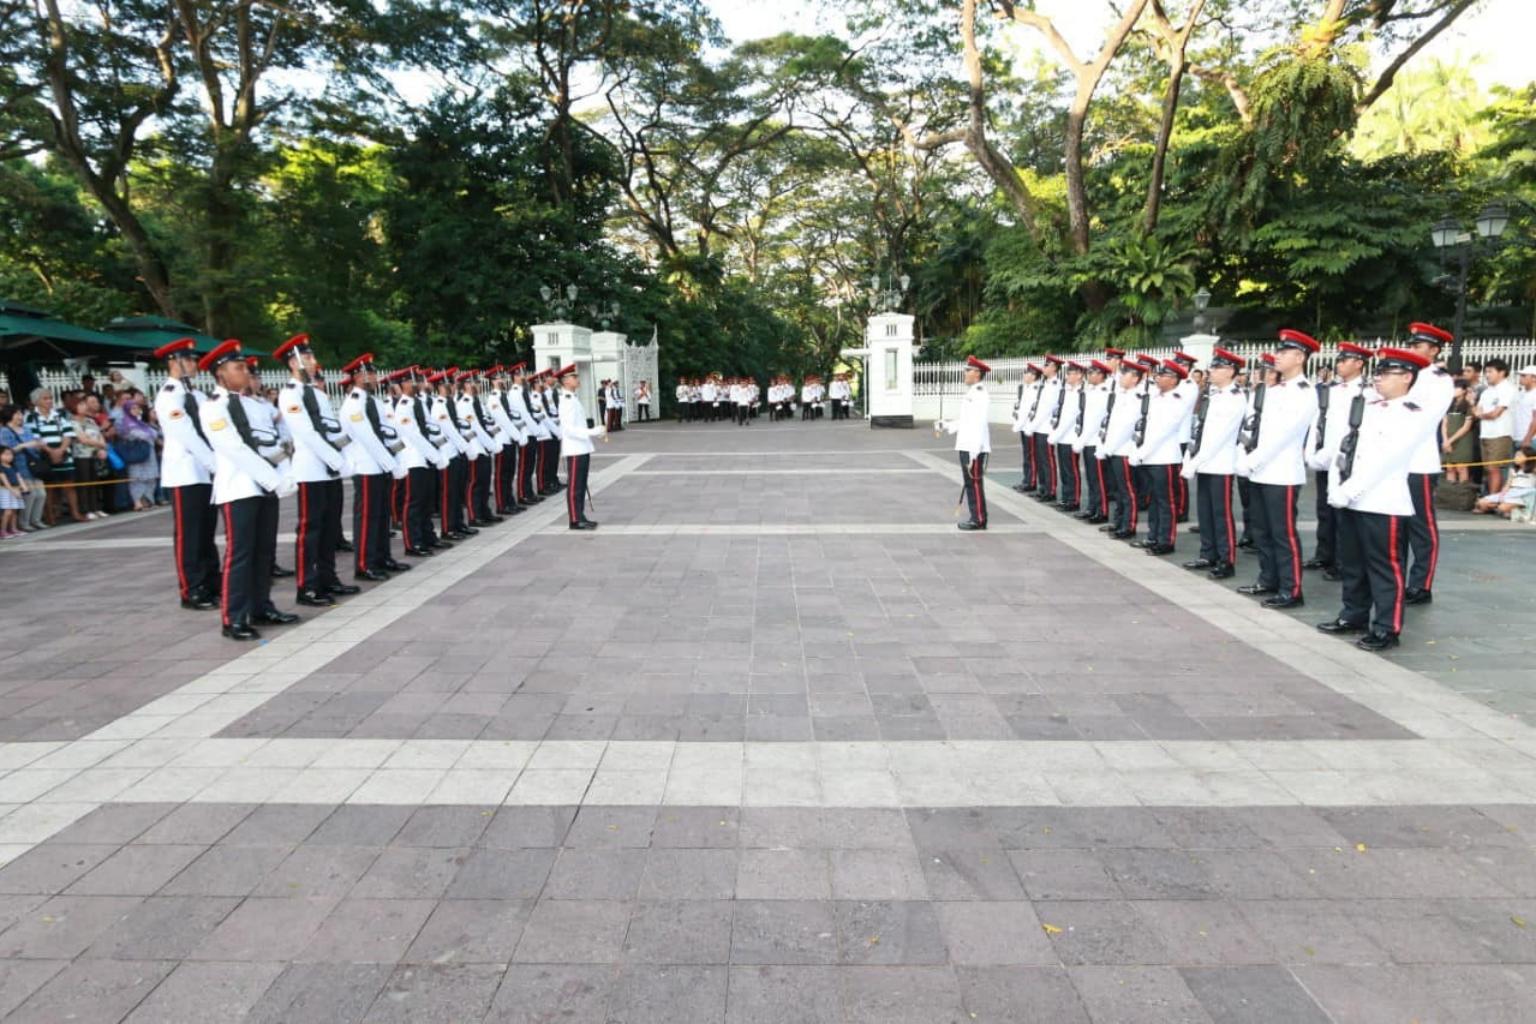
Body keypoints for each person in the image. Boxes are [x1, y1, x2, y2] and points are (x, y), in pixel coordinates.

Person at [1317, 347, 1432, 652]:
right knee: (1353, 563)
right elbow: (1345, 448)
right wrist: (1334, 485)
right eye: (1377, 373)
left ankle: (1386, 627)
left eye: (1386, 374)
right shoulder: (1368, 407)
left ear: (1407, 377)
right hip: (1352, 499)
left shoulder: (1413, 414)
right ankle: (1353, 614)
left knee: (1385, 567)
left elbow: (1387, 460)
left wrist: (1350, 489)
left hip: (1384, 502)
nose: (1378, 379)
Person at [199, 340, 299, 641]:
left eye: (246, 367)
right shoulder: (213, 407)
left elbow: (272, 444)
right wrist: (273, 479)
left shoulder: (254, 406)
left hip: (265, 486)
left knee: (263, 551)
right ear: (220, 373)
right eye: (238, 367)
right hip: (239, 488)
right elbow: (234, 448)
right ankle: (233, 617)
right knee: (240, 554)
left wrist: (284, 475)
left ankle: (260, 606)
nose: (246, 372)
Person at [1236, 329, 1320, 610]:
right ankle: (1268, 578)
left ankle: (1291, 588)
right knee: (1261, 529)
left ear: (1299, 357)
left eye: (1284, 353)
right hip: (1260, 470)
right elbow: (1255, 427)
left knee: (1282, 533)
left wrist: (1256, 460)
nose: (1278, 357)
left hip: (1282, 473)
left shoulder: (1304, 393)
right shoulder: (1273, 390)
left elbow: (1286, 433)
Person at [275, 334, 354, 607]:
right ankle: (306, 585)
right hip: (311, 469)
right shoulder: (290, 393)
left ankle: (328, 578)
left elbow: (332, 428)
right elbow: (306, 432)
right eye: (307, 357)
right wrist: (335, 459)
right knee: (310, 530)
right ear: (293, 361)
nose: (313, 362)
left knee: (330, 526)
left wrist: (343, 456)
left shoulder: (317, 393)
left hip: (329, 468)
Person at [1304, 342, 1373, 580]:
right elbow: (1320, 422)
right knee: (1324, 509)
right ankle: (1325, 554)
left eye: (1346, 360)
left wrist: (1332, 453)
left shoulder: (1366, 393)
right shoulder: (1331, 390)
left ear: (1359, 364)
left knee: (1342, 514)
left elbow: (1351, 429)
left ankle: (1343, 562)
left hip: (1345, 459)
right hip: (1325, 457)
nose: (1340, 364)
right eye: (1339, 360)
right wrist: (1314, 452)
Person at [1400, 323, 1456, 606]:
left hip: (1420, 462)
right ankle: (1397, 579)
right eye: (1411, 344)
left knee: (1421, 526)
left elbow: (1425, 419)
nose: (1412, 349)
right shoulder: (1403, 374)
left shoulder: (1439, 380)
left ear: (1433, 350)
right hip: (1396, 462)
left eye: (1418, 345)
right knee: (1397, 526)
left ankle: (1421, 584)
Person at [341, 353, 410, 581]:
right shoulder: (354, 405)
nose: (374, 376)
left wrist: (400, 458)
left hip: (381, 466)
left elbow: (389, 432)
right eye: (369, 373)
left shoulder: (374, 402)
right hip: (367, 467)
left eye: (373, 372)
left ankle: (382, 557)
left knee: (381, 516)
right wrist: (391, 463)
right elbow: (368, 438)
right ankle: (364, 564)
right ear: (358, 377)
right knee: (367, 518)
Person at [1181, 347, 1247, 578]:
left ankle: (1226, 560)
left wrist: (1196, 460)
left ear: (1230, 371)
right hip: (1206, 463)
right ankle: (1208, 553)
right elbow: (1202, 431)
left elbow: (1221, 437)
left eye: (1217, 367)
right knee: (1206, 511)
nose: (1211, 371)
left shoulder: (1235, 398)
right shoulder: (1215, 395)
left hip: (1221, 464)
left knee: (1221, 514)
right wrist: (1193, 456)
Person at [1129, 360, 1193, 555]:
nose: (1158, 378)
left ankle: (1166, 540)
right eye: (1159, 374)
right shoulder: (1155, 398)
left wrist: (1143, 452)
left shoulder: (1177, 400)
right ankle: (1153, 535)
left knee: (1166, 501)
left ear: (1174, 380)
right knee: (1155, 500)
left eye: (1163, 375)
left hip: (1164, 457)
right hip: (1149, 456)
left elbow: (1164, 431)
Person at [392, 366, 449, 555]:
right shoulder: (403, 406)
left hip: (426, 457)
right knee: (414, 503)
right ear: (404, 384)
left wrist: (440, 447)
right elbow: (414, 435)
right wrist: (433, 454)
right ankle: (413, 542)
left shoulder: (419, 403)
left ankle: (428, 536)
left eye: (417, 380)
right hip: (414, 458)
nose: (417, 384)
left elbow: (430, 426)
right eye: (412, 381)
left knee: (426, 501)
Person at [937, 355, 993, 530]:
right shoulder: (972, 393)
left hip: (973, 447)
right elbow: (966, 421)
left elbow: (979, 422)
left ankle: (979, 519)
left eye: (967, 370)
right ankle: (976, 515)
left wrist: (974, 451)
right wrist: (946, 425)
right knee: (970, 483)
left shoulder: (980, 394)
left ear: (976, 373)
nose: (965, 373)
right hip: (967, 444)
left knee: (974, 482)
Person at [1098, 359, 1145, 540]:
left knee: (1127, 490)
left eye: (1125, 373)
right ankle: (1118, 521)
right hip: (1113, 449)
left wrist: (1109, 447)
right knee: (1117, 489)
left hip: (1123, 450)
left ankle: (1129, 525)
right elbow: (1111, 424)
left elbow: (1126, 428)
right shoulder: (1121, 395)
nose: (1121, 376)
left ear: (1134, 378)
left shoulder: (1136, 399)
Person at [558, 364, 605, 529]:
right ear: (565, 381)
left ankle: (580, 515)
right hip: (575, 448)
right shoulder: (567, 401)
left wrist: (592, 432)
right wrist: (592, 431)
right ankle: (575, 519)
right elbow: (569, 429)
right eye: (574, 377)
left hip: (581, 447)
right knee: (575, 485)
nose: (577, 379)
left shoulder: (573, 397)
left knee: (581, 483)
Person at [1073, 360, 1113, 523]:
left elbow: (1096, 421)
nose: (1089, 375)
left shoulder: (1103, 393)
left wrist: (1082, 439)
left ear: (1101, 375)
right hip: (1088, 441)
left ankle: (1102, 510)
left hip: (1096, 441)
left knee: (1099, 479)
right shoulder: (1091, 392)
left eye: (1092, 373)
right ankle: (1092, 507)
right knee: (1091, 477)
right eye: (1089, 372)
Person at [0, 404, 49, 531]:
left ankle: (36, 520)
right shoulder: (4, 431)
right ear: (9, 415)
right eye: (17, 414)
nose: (20, 416)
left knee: (41, 494)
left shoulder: (26, 429)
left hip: (34, 466)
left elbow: (34, 445)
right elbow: (6, 451)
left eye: (21, 414)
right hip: (19, 466)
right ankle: (24, 523)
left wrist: (39, 445)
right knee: (29, 495)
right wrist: (24, 445)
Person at [1473, 357, 1517, 495]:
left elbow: (1495, 414)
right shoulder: (1487, 392)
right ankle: (1490, 497)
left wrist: (1482, 415)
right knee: (1487, 468)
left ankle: (1492, 499)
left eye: (1490, 371)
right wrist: (1481, 414)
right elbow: (1477, 411)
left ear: (1502, 372)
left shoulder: (1508, 389)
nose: (1487, 375)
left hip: (1500, 433)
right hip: (1485, 433)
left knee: (1494, 467)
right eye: (1486, 372)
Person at [115, 393, 160, 510]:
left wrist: (147, 433)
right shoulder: (123, 422)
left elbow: (154, 433)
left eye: (137, 408)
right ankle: (137, 501)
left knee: (150, 476)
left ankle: (148, 500)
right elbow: (136, 435)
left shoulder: (141, 422)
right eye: (133, 408)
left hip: (148, 453)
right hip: (136, 453)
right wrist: (147, 434)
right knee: (137, 477)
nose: (136, 410)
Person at [1050, 361, 1085, 511]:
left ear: (1079, 376)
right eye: (1068, 373)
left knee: (1072, 470)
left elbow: (1073, 417)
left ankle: (1074, 499)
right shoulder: (1066, 391)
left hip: (1071, 436)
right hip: (1062, 437)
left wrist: (1058, 433)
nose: (1068, 376)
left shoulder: (1080, 394)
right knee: (1064, 470)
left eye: (1071, 373)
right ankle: (1066, 497)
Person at [1030, 356, 1063, 501]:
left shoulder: (1056, 384)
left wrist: (1034, 425)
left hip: (1047, 427)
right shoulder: (1046, 384)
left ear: (1054, 368)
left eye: (1047, 365)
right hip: (1039, 427)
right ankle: (1043, 487)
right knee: (1040, 458)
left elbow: (1048, 408)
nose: (1044, 367)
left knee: (1048, 461)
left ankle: (1051, 490)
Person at [1440, 382, 1478, 484]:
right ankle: (1450, 492)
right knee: (1449, 468)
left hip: (1462, 441)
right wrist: (1445, 440)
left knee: (1461, 468)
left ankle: (1462, 493)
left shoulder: (1468, 406)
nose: (1454, 390)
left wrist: (1449, 441)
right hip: (1447, 440)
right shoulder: (1448, 405)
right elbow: (1444, 424)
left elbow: (1466, 427)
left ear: (1464, 390)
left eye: (1457, 388)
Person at [0, 446, 27, 538]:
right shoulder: (1, 467)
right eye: (6, 454)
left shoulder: (13, 466)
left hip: (16, 489)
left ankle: (13, 529)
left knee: (15, 511)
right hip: (5, 490)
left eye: (11, 454)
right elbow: (5, 481)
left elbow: (19, 477)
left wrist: (24, 487)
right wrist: (13, 491)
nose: (9, 456)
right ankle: (3, 531)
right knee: (7, 511)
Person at [1513, 365, 1536, 453]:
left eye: (1524, 375)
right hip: (1517, 437)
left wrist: (1528, 438)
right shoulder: (1520, 393)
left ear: (1534, 378)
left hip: (1531, 440)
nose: (1521, 378)